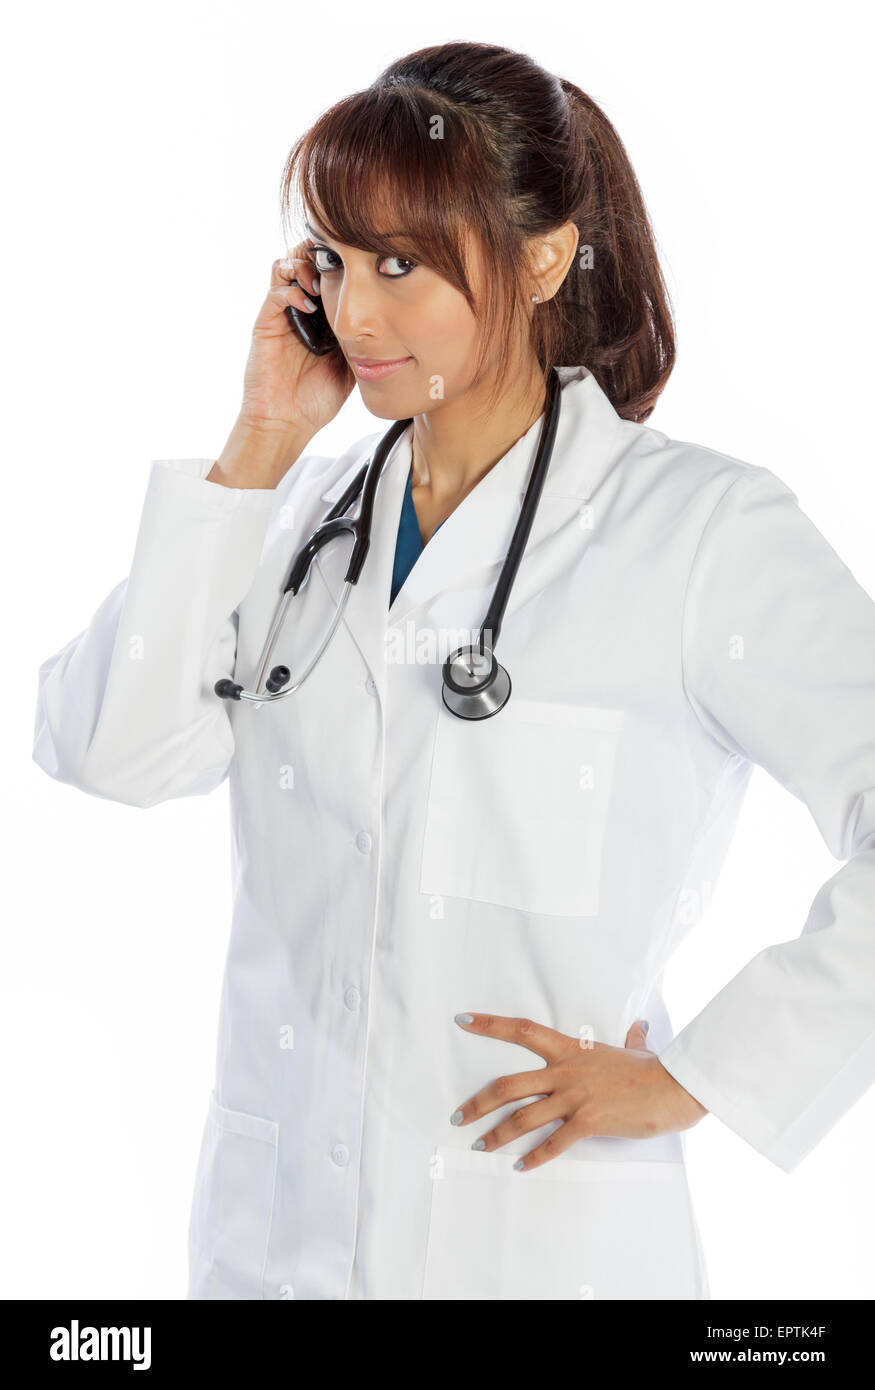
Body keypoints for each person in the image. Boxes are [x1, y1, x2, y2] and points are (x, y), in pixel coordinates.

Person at [32, 40, 875, 1301]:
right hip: (273, 1255)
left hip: (543, 1251)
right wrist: (260, 441)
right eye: (330, 258)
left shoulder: (700, 535)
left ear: (541, 257)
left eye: (400, 264)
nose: (355, 314)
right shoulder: (298, 526)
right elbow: (106, 751)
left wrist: (702, 1073)